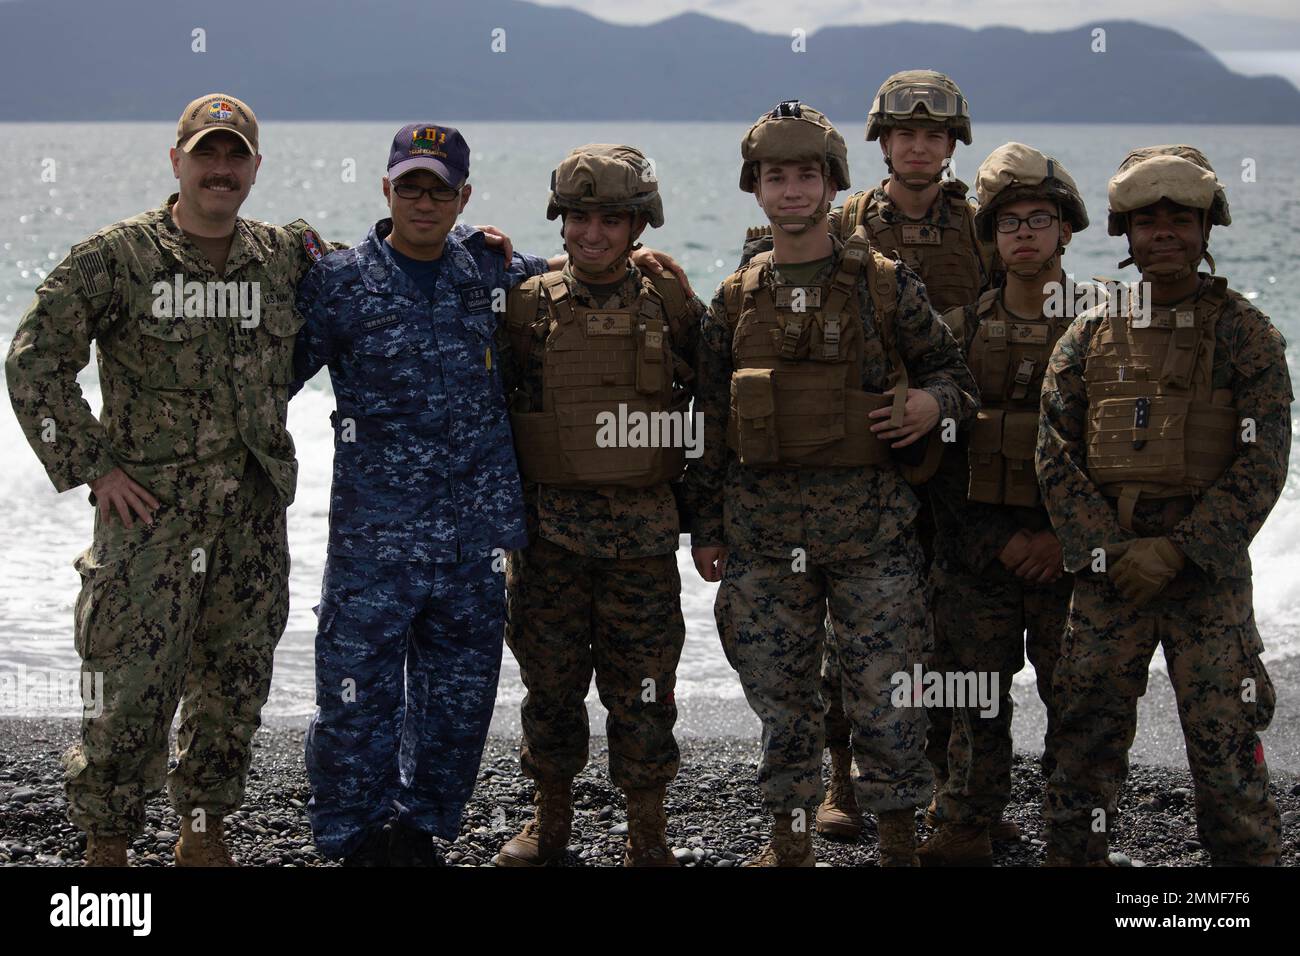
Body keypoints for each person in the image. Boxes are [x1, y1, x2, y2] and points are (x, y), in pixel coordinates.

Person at [5, 93, 329, 866]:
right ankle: (108, 851)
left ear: (255, 165)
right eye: (206, 153)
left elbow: (387, 271)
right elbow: (33, 362)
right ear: (176, 160)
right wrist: (94, 465)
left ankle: (202, 839)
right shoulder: (116, 258)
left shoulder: (283, 256)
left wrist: (503, 259)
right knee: (128, 692)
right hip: (151, 522)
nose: (221, 169)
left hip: (251, 521)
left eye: (235, 155)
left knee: (233, 691)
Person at [685, 101, 978, 866]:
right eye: (775, 176)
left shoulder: (884, 286)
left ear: (831, 183)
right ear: (755, 188)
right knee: (781, 698)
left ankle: (896, 846)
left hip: (872, 532)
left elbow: (954, 375)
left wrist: (928, 404)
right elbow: (710, 420)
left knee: (891, 696)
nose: (791, 191)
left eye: (806, 175)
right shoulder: (736, 296)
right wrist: (707, 525)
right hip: (763, 535)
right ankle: (788, 841)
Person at [1038, 145, 1291, 866]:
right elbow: (1054, 455)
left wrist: (1177, 550)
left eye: (1181, 218)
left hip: (1205, 581)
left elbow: (1264, 459)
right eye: (1148, 221)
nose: (1165, 233)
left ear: (1207, 227)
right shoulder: (1087, 333)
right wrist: (1115, 554)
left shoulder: (1246, 335)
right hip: (1107, 576)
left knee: (1227, 747)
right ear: (1125, 232)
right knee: (1083, 743)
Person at [494, 144, 702, 867]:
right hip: (549, 538)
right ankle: (549, 823)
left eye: (611, 219)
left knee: (645, 689)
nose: (593, 233)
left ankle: (648, 834)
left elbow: (713, 407)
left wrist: (705, 521)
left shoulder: (670, 302)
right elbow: (503, 415)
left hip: (642, 539)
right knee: (548, 686)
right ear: (561, 221)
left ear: (637, 223)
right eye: (579, 217)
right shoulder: (525, 306)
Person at [918, 143, 1088, 865]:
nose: (1024, 233)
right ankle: (966, 823)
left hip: (1071, 558)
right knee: (972, 700)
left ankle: (1077, 835)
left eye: (1039, 219)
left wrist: (1062, 542)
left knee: (1077, 704)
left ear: (1065, 231)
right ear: (990, 236)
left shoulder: (1104, 328)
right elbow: (934, 462)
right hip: (978, 555)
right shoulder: (956, 332)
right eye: (1009, 221)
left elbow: (1118, 454)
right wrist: (996, 539)